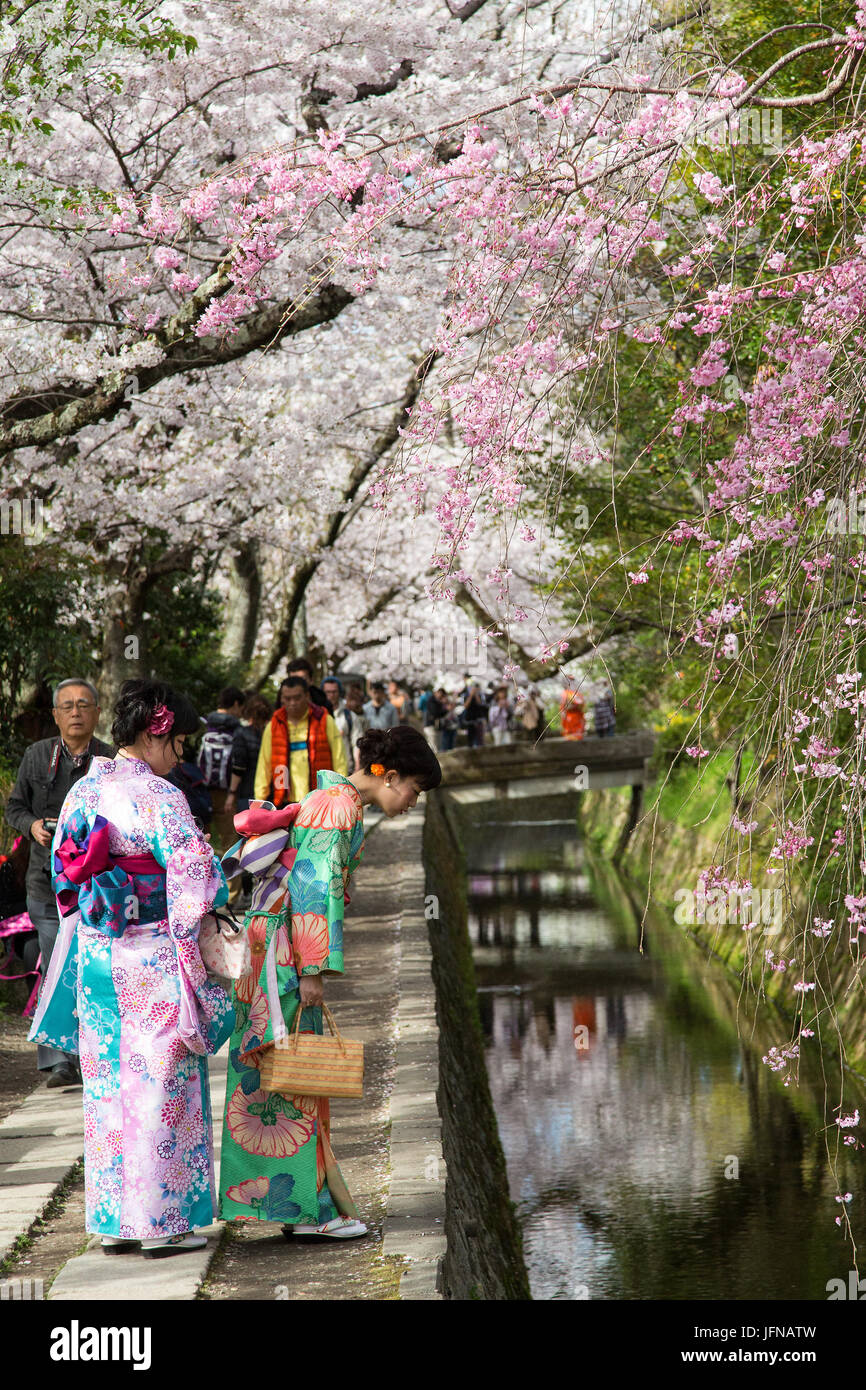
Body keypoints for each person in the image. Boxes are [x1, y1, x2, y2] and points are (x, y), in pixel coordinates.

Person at [27, 679, 235, 1256]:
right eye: (179, 743)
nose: (181, 755)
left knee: (108, 1086)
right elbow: (195, 876)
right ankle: (159, 1222)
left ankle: (115, 1223)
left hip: (98, 954)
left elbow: (63, 869)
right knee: (160, 1084)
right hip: (148, 954)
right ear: (154, 734)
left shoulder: (83, 790)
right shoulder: (160, 797)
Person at [218, 724, 442, 1238]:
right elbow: (314, 888)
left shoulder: (329, 797)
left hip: (270, 943)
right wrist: (313, 968)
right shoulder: (340, 809)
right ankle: (313, 1211)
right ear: (390, 775)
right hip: (288, 953)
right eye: (413, 790)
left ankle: (292, 1206)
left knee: (272, 1077)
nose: (412, 802)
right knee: (295, 1080)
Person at [5, 678, 113, 1089]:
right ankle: (60, 1061)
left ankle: (96, 1052)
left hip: (98, 885)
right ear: (55, 714)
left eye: (83, 704)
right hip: (46, 883)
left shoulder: (109, 759)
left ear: (96, 712)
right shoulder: (37, 756)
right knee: (55, 961)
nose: (75, 712)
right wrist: (32, 826)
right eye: (66, 706)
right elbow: (14, 807)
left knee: (93, 966)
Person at [253, 676, 347, 805]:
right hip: (284, 801)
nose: (292, 703)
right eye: (287, 698)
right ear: (281, 698)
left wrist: (340, 793)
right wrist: (260, 799)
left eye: (297, 698)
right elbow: (264, 765)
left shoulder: (324, 720)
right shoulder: (274, 725)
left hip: (320, 799)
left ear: (307, 696)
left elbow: (339, 760)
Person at [225, 694, 272, 818]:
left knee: (249, 834)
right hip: (272, 793)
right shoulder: (275, 732)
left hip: (247, 793)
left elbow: (239, 766)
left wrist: (231, 793)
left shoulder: (241, 733)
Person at [461, 682, 488, 748]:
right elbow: (465, 706)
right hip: (469, 719)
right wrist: (470, 696)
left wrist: (476, 695)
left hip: (478, 718)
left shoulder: (481, 695)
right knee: (470, 737)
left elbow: (480, 704)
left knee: (479, 738)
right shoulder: (465, 695)